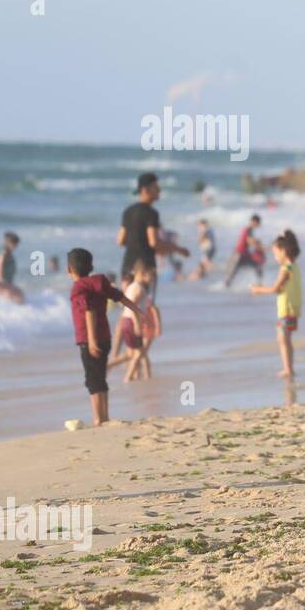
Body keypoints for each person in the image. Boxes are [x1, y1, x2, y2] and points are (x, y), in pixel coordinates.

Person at [67, 248, 146, 427]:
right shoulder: (100, 283)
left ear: (69, 270)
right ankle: (104, 416)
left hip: (90, 340)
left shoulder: (78, 288)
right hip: (105, 338)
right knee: (100, 377)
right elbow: (120, 297)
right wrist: (138, 311)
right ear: (91, 266)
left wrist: (92, 340)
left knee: (92, 380)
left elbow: (89, 311)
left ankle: (98, 418)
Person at [118, 172, 190, 302]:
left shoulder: (128, 211)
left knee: (128, 312)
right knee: (145, 312)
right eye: (156, 187)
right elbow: (153, 242)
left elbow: (120, 240)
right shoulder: (151, 213)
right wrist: (178, 249)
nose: (159, 190)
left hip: (127, 267)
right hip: (146, 270)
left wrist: (136, 243)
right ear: (145, 190)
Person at [250, 230, 302, 378]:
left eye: (275, 253)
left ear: (283, 251)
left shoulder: (285, 269)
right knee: (286, 339)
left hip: (286, 310)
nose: (274, 257)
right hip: (294, 309)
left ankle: (288, 368)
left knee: (283, 339)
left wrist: (257, 289)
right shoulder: (294, 266)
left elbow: (275, 288)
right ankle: (289, 367)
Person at [108, 261, 156, 381]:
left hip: (125, 321)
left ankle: (109, 366)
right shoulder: (139, 288)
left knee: (131, 354)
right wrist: (137, 324)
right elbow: (132, 305)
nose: (152, 280)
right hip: (131, 322)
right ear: (142, 273)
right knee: (139, 353)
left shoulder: (132, 286)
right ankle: (128, 378)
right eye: (151, 277)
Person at [223, 214, 264, 287]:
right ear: (254, 222)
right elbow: (249, 241)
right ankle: (259, 283)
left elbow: (250, 241)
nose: (258, 225)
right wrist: (260, 246)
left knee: (256, 265)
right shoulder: (248, 230)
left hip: (242, 254)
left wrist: (258, 244)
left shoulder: (248, 230)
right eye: (258, 223)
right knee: (232, 273)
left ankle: (259, 283)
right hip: (239, 254)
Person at [0, 232, 24, 303]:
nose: (16, 246)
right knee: (19, 297)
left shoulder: (7, 253)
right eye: (15, 243)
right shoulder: (4, 253)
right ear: (9, 243)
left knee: (19, 296)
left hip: (5, 282)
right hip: (2, 282)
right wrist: (1, 281)